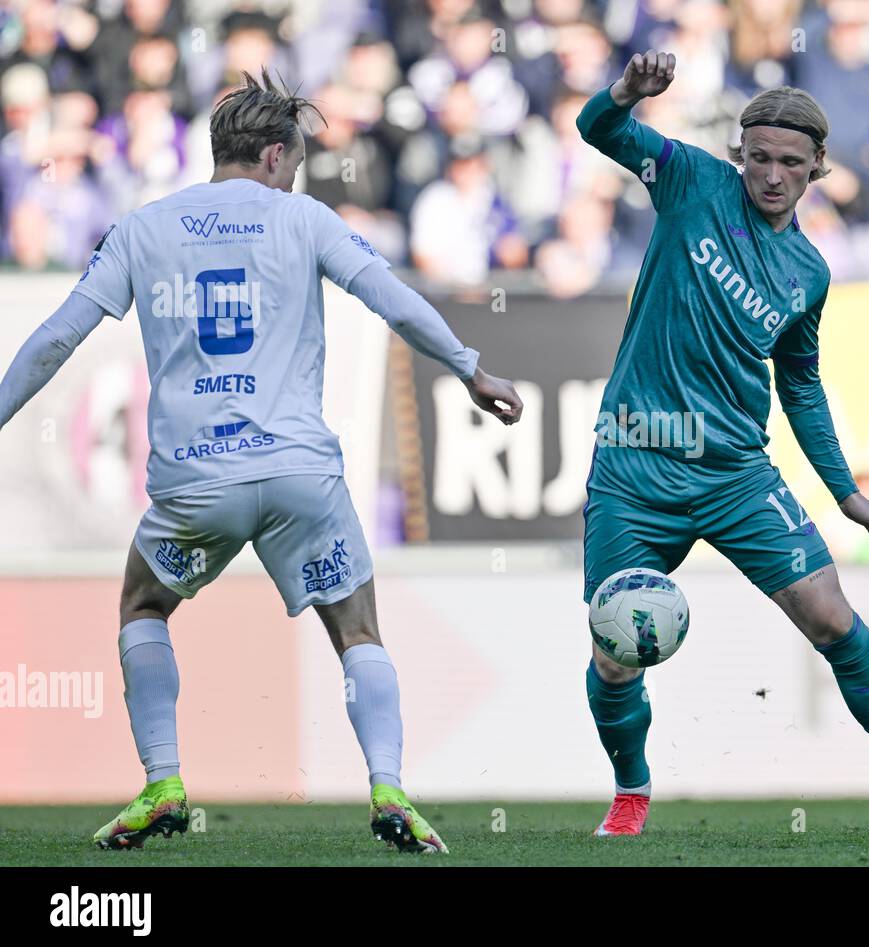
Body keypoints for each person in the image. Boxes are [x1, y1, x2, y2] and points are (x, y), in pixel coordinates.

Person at [0, 69, 523, 854]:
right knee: (356, 628)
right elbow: (394, 300)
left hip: (194, 485)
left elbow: (54, 339)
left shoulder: (144, 227)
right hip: (296, 477)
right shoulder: (304, 219)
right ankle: (389, 788)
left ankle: (164, 781)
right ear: (277, 155)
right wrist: (470, 368)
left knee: (144, 607)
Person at [575, 50, 869, 837]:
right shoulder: (691, 182)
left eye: (791, 163)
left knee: (834, 619)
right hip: (635, 464)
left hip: (736, 473)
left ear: (818, 169)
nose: (772, 175)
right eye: (760, 158)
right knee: (616, 650)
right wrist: (627, 94)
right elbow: (596, 129)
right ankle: (631, 789)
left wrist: (846, 493)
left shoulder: (808, 270)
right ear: (739, 154)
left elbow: (799, 387)